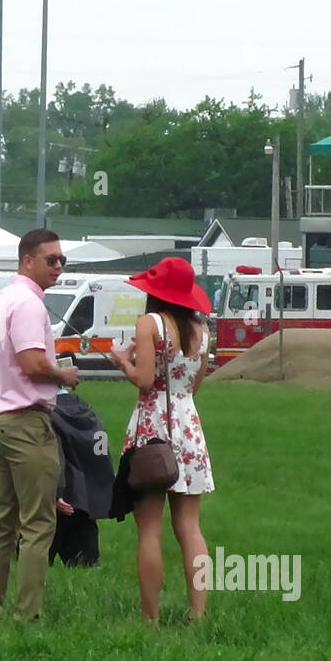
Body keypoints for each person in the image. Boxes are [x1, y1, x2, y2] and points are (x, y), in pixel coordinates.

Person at [0, 229, 80, 621]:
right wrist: (63, 375)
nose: (58, 266)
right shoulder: (29, 304)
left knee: (2, 522)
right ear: (27, 261)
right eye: (51, 259)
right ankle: (27, 616)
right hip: (25, 423)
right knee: (37, 524)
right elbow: (32, 363)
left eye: (62, 260)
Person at [109, 257, 214, 624]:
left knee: (149, 529)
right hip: (189, 427)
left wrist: (122, 361)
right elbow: (194, 385)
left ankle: (150, 617)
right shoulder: (203, 329)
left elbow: (144, 380)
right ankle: (197, 613)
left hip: (152, 426)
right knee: (190, 527)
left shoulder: (149, 323)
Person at [48, 388, 113, 568]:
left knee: (36, 562)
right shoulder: (90, 414)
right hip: (87, 497)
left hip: (57, 496)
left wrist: (57, 491)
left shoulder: (47, 414)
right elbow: (103, 454)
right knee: (86, 566)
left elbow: (56, 456)